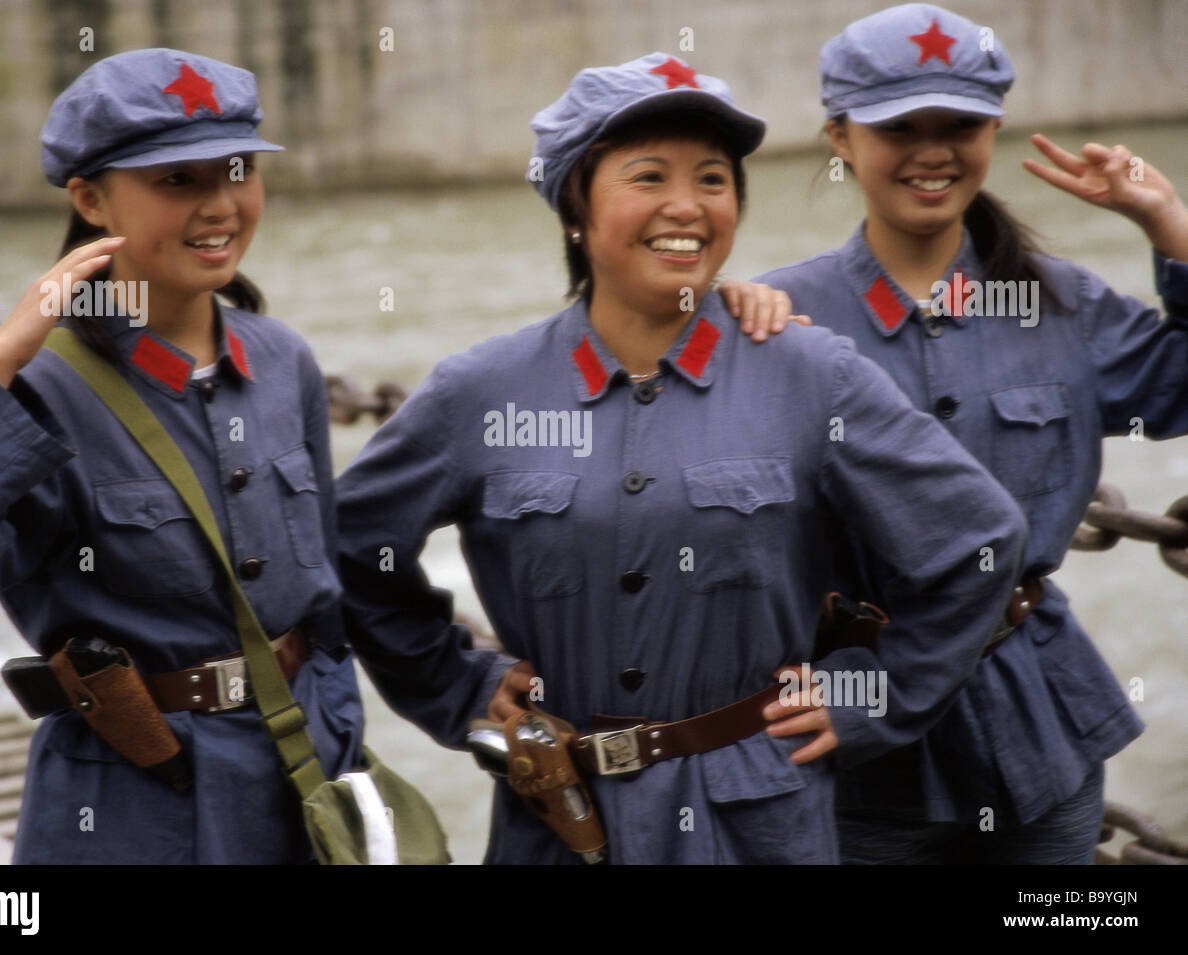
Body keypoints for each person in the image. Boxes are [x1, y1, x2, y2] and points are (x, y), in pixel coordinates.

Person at [336, 51, 1029, 864]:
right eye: (647, 177)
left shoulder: (812, 375)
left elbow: (978, 542)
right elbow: (350, 549)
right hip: (557, 819)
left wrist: (868, 693)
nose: (687, 207)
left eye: (711, 179)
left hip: (757, 819)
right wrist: (456, 685)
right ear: (575, 208)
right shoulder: (480, 393)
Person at [0, 48, 514, 864]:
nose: (221, 205)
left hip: (306, 784)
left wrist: (425, 706)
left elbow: (327, 599)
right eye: (177, 181)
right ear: (88, 197)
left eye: (237, 170)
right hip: (132, 802)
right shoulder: (41, 395)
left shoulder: (282, 361)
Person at [751, 3, 1188, 864]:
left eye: (960, 124)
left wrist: (1164, 221)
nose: (932, 150)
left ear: (994, 130)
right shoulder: (777, 320)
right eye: (897, 126)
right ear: (840, 138)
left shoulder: (1063, 305)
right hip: (856, 737)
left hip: (1038, 724)